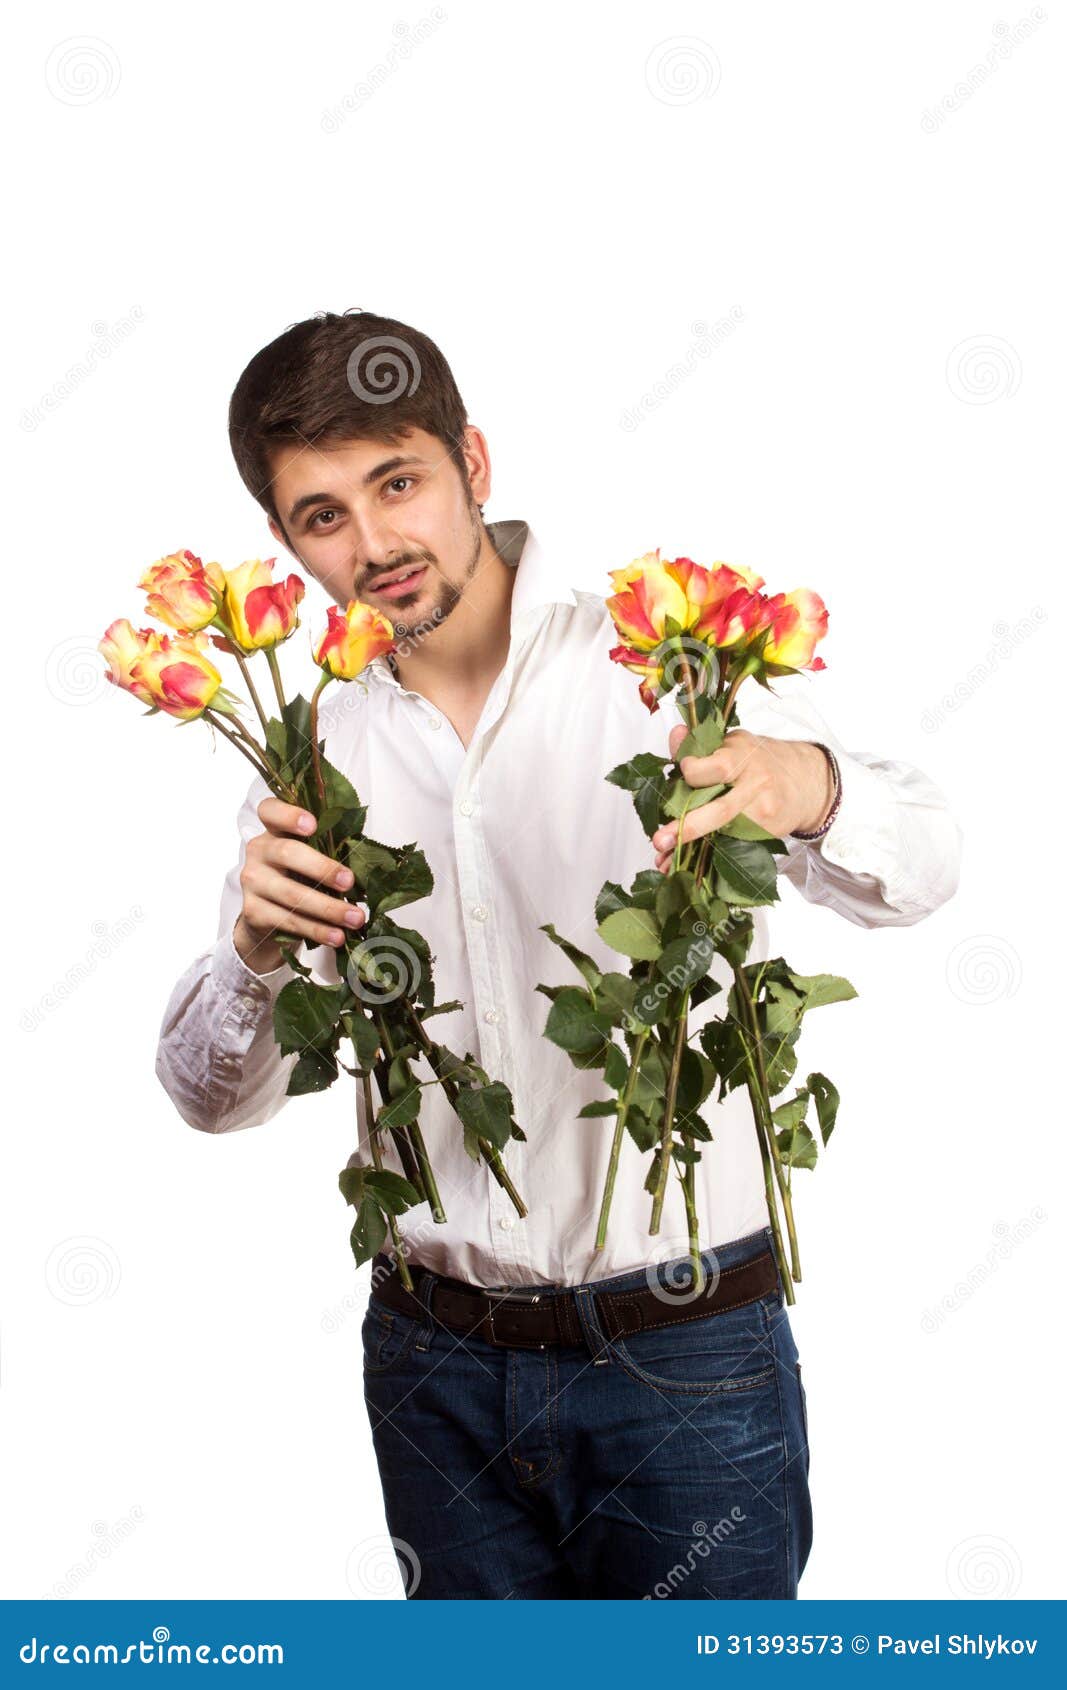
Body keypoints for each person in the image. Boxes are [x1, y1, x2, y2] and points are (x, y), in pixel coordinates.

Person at [156, 309, 962, 1600]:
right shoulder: (310, 746)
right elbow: (209, 1097)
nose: (373, 546)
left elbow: (926, 859)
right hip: (435, 1367)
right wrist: (252, 952)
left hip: (687, 1350)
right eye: (322, 517)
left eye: (398, 483)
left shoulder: (659, 649)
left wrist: (798, 781)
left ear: (474, 460)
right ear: (282, 544)